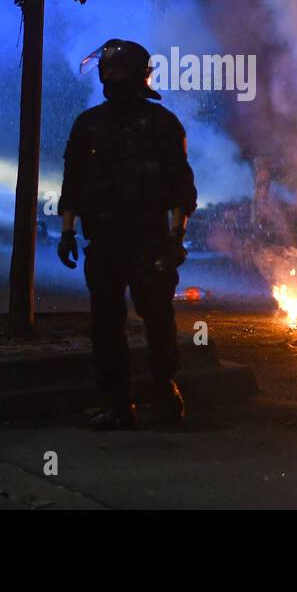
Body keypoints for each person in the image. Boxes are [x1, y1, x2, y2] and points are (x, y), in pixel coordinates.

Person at [57, 38, 197, 429]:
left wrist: (174, 238)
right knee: (106, 322)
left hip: (148, 238)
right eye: (107, 74)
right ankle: (118, 404)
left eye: (116, 74)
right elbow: (74, 182)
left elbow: (180, 189)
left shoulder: (161, 124)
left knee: (156, 316)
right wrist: (67, 231)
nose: (109, 81)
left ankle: (164, 389)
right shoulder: (89, 125)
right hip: (104, 239)